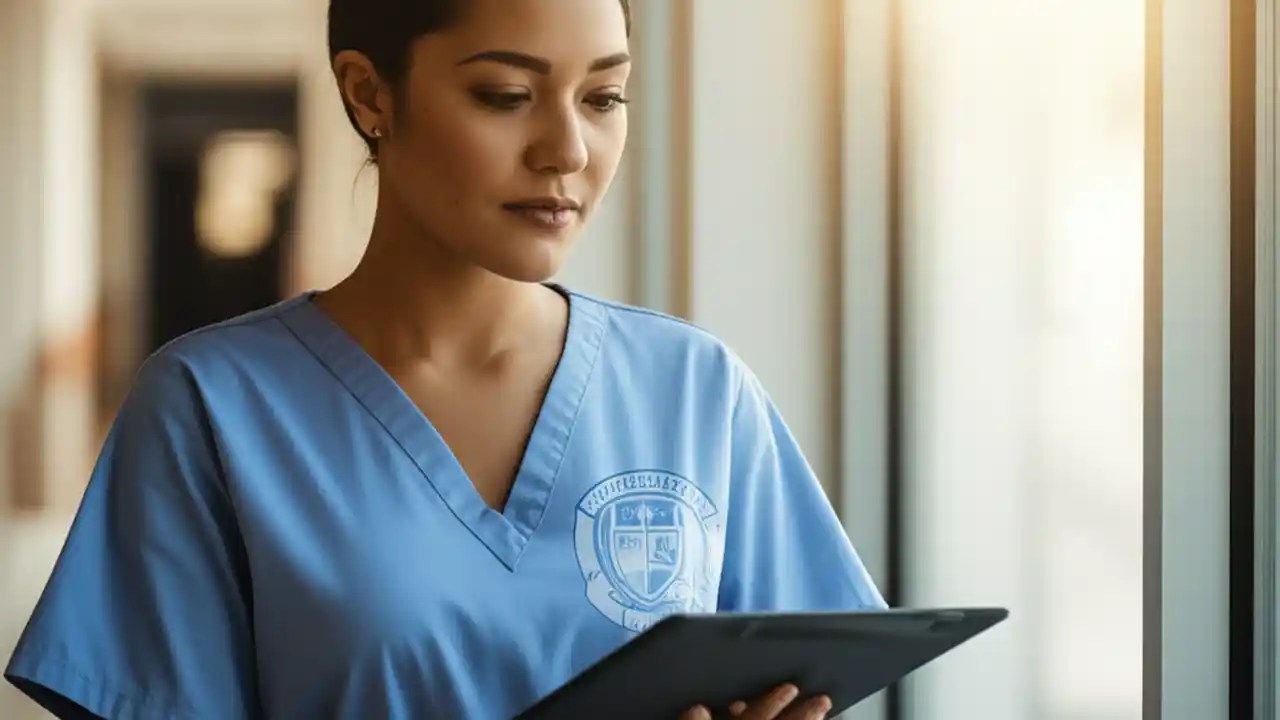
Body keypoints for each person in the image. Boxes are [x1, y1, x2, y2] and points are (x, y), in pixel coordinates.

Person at [3, 0, 886, 718]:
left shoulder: (696, 390)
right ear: (369, 93)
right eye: (506, 94)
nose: (568, 152)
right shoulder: (210, 407)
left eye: (603, 98)